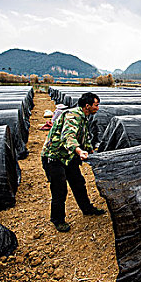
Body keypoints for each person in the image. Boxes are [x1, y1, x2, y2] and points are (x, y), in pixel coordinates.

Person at [41, 92, 105, 232]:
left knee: (78, 183)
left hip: (69, 156)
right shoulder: (73, 115)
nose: (98, 108)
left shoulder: (84, 118)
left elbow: (84, 138)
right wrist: (79, 151)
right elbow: (68, 136)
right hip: (54, 157)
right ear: (87, 106)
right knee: (60, 189)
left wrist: (91, 151)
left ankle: (87, 209)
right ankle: (57, 220)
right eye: (96, 105)